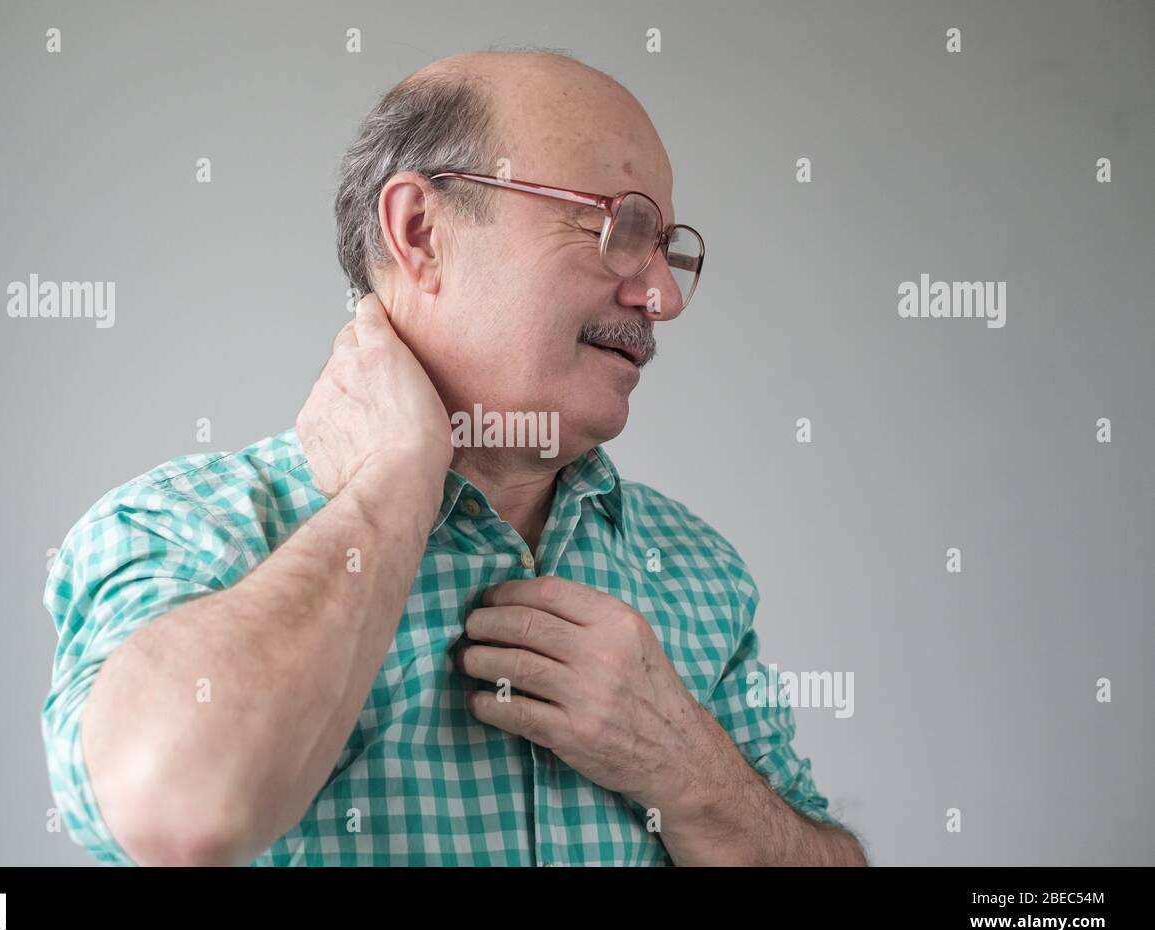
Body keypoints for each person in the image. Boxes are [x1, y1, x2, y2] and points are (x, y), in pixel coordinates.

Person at [42, 49, 866, 866]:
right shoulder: (182, 527)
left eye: (667, 249)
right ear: (422, 233)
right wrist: (394, 486)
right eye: (620, 229)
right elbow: (182, 810)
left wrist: (688, 771)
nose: (664, 297)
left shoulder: (696, 570)